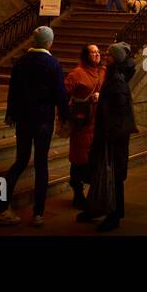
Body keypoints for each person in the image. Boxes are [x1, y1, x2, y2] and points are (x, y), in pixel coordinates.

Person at [0, 26, 69, 227]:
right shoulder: (52, 64)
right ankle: (38, 213)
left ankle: (0, 205)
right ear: (49, 42)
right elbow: (60, 93)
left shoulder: (21, 61)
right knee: (41, 165)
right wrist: (65, 116)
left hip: (24, 118)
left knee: (19, 161)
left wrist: (11, 114)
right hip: (43, 119)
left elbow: (13, 91)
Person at [81, 41, 137, 231]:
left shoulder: (117, 81)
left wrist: (110, 133)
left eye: (109, 55)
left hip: (113, 137)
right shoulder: (113, 75)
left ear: (117, 59)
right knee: (103, 173)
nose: (105, 57)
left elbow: (120, 111)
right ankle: (96, 208)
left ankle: (114, 215)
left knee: (113, 176)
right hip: (109, 134)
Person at [64, 43, 106, 209]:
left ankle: (92, 194)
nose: (96, 55)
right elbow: (65, 93)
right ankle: (78, 193)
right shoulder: (77, 73)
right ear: (85, 55)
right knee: (79, 159)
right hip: (82, 123)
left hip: (98, 123)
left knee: (93, 160)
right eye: (92, 52)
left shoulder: (102, 71)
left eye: (98, 52)